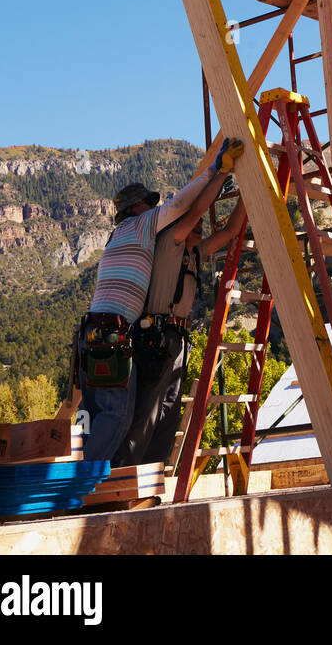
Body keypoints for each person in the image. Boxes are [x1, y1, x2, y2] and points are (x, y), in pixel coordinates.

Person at [77, 138, 241, 462]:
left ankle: (99, 483)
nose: (155, 209)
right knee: (122, 417)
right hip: (115, 331)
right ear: (135, 209)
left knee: (101, 413)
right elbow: (182, 208)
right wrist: (216, 171)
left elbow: (202, 222)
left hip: (97, 331)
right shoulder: (140, 227)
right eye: (149, 204)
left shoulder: (123, 237)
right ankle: (87, 489)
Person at [113, 160, 247, 467]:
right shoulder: (167, 241)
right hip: (153, 336)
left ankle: (151, 481)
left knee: (167, 415)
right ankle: (125, 483)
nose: (199, 228)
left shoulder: (192, 254)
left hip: (176, 339)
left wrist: (249, 194)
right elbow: (196, 211)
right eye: (194, 226)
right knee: (144, 415)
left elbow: (230, 231)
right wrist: (221, 171)